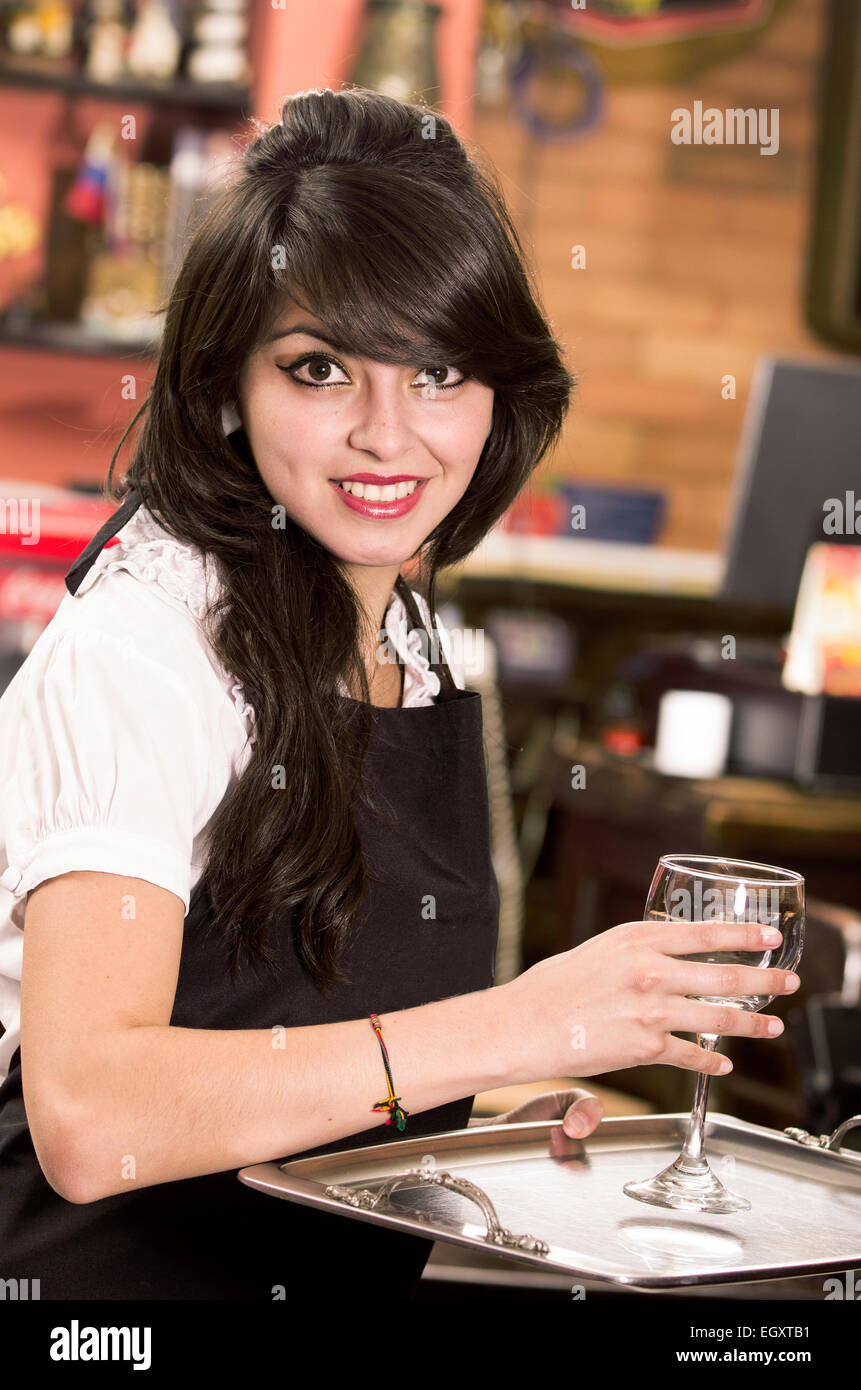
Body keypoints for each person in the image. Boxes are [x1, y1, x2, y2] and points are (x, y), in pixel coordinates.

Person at [0, 87, 798, 1301]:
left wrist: (494, 1114)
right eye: (319, 368)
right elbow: (92, 1116)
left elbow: (315, 1035)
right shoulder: (151, 640)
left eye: (438, 370)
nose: (389, 435)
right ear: (224, 387)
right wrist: (515, 1024)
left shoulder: (406, 631)